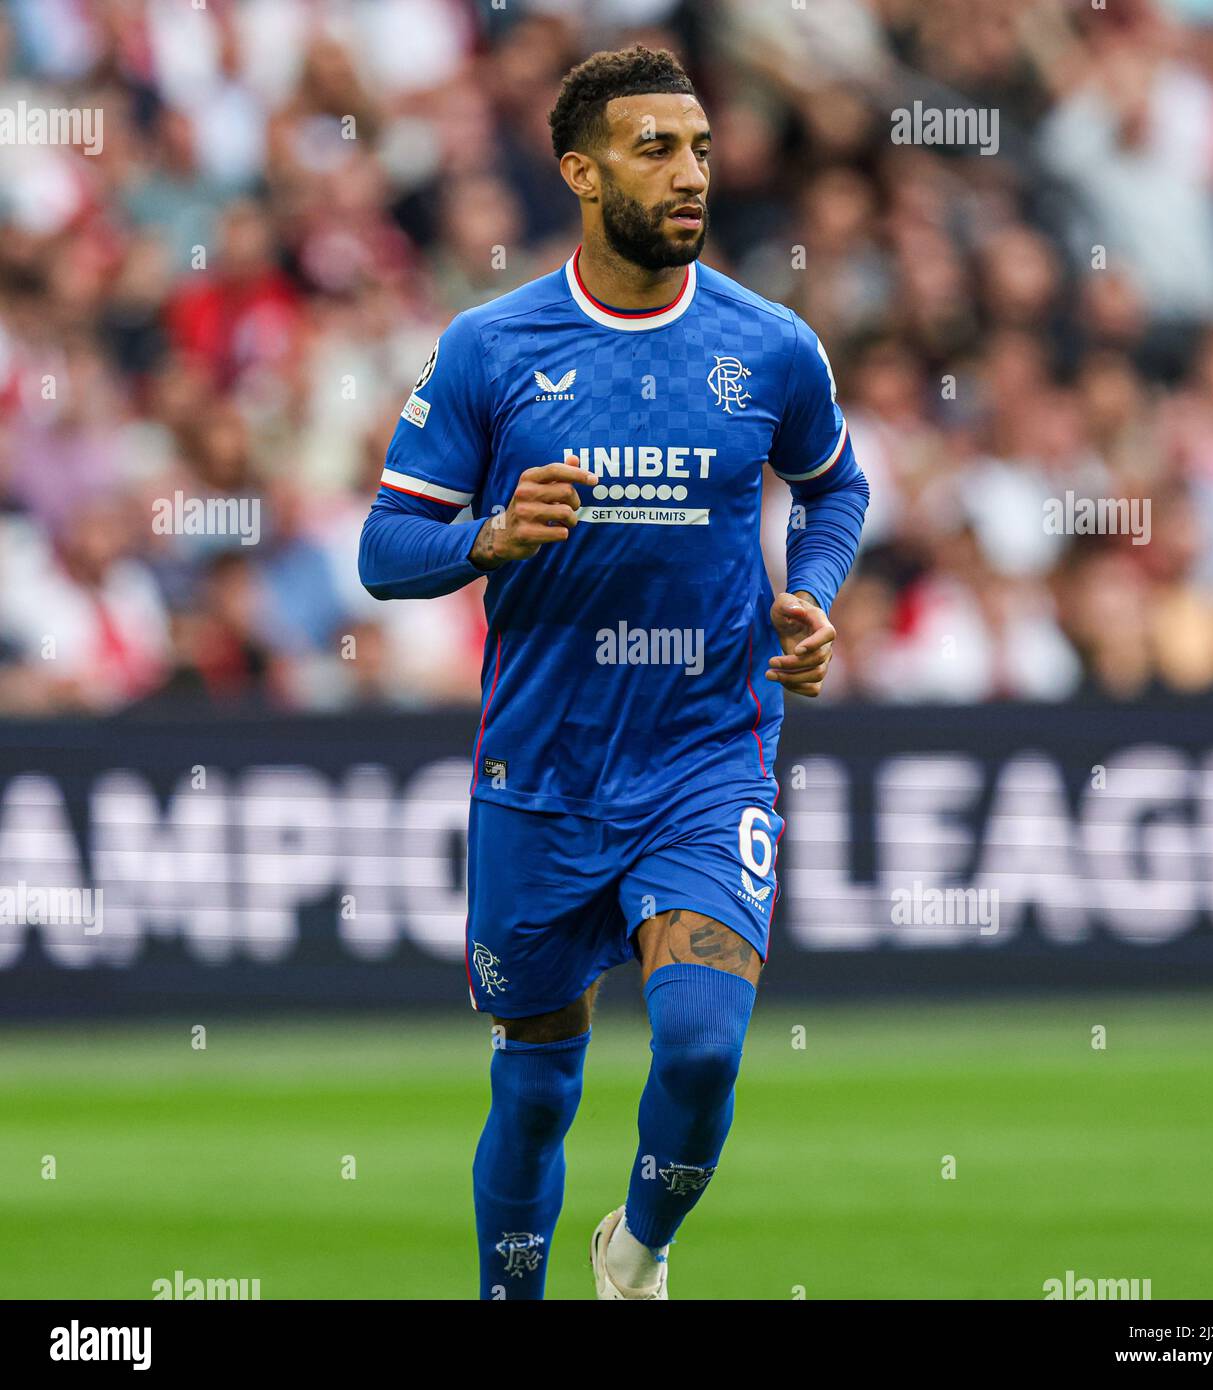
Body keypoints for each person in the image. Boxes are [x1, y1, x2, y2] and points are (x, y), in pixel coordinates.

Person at [358, 44, 868, 1300]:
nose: (692, 173)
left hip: (706, 756)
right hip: (541, 774)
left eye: (699, 147)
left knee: (699, 1051)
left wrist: (810, 591)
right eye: (657, 149)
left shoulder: (773, 346)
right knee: (535, 1085)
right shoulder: (489, 348)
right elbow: (382, 547)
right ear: (581, 172)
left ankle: (634, 1255)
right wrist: (485, 535)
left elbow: (834, 487)